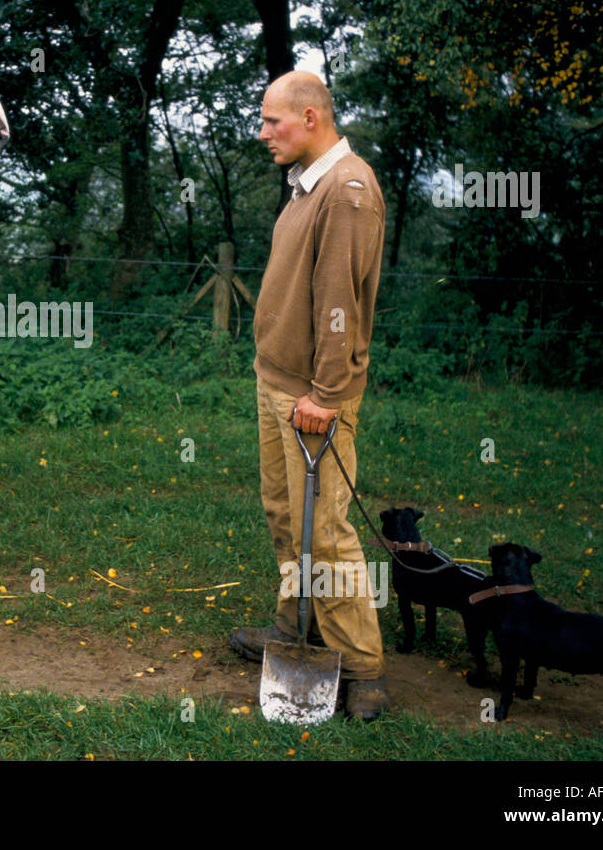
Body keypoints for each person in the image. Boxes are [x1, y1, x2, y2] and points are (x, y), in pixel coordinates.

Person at [229, 70, 389, 720]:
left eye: (274, 121)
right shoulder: (305, 185)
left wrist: (324, 393)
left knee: (323, 533)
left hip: (313, 398)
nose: (263, 132)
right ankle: (294, 627)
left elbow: (339, 309)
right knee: (283, 515)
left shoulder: (346, 191)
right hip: (278, 386)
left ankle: (364, 668)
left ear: (311, 119)